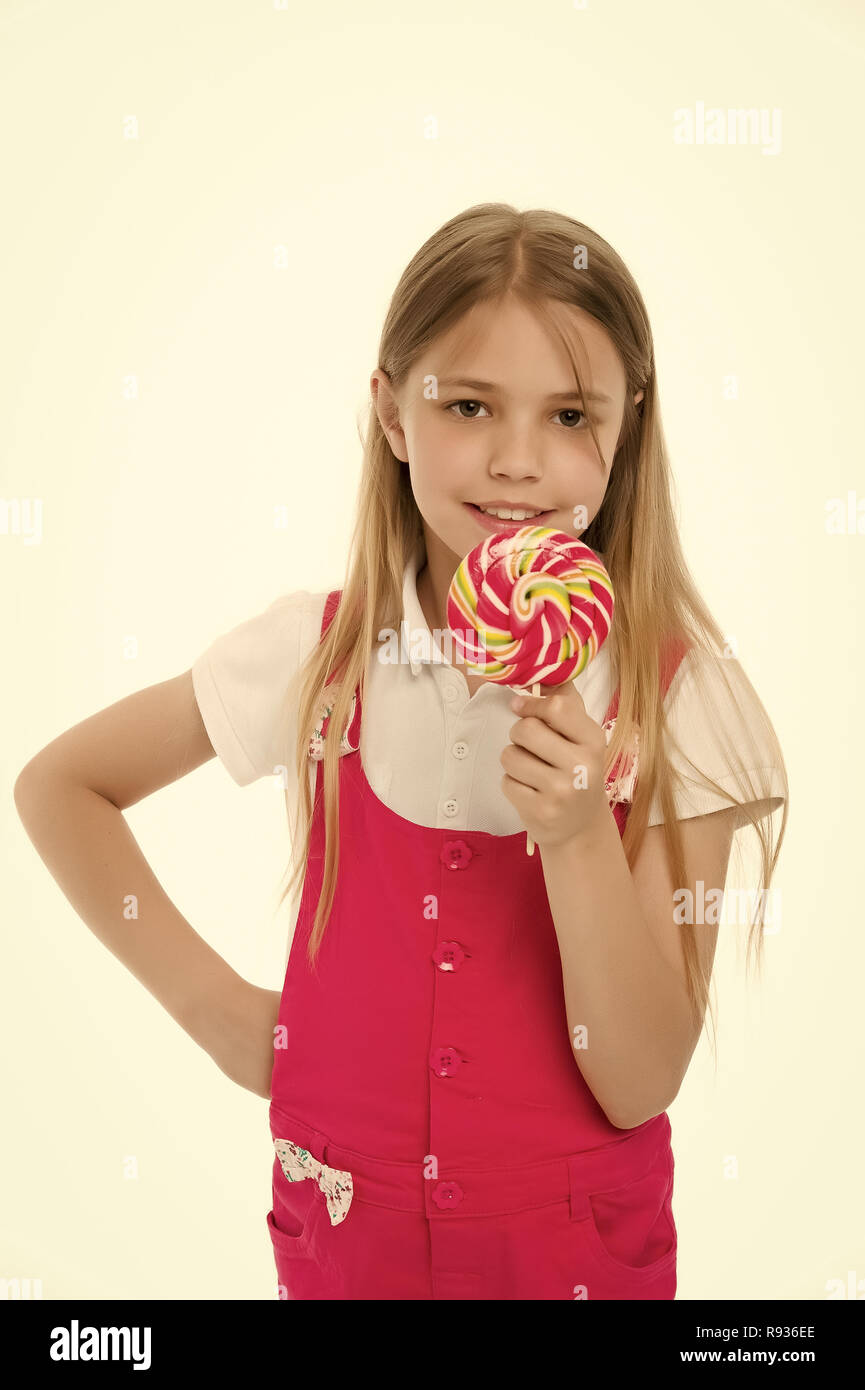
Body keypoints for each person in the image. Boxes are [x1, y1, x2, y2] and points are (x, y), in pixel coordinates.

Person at [14, 203, 788, 1301]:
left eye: (570, 414)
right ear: (389, 412)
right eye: (468, 404)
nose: (519, 461)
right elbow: (61, 786)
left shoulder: (681, 702)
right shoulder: (317, 655)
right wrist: (224, 1018)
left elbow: (638, 1076)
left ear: (626, 429)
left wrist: (574, 836)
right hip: (344, 1257)